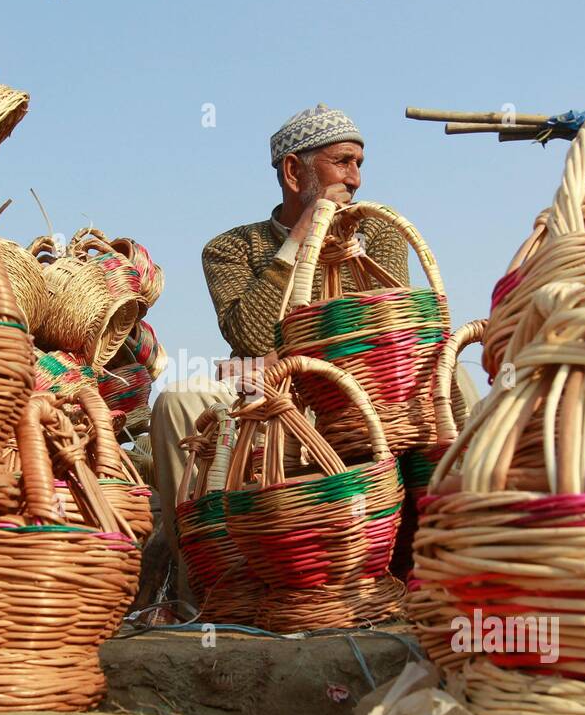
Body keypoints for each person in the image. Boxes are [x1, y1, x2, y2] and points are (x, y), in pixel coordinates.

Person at [147, 104, 476, 609]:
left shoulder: (378, 232)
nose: (356, 179)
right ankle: (205, 599)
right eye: (342, 162)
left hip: (359, 388)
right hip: (268, 390)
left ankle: (454, 568)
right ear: (293, 171)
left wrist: (286, 357)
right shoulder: (231, 248)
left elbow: (390, 337)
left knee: (460, 386)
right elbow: (252, 334)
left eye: (360, 164)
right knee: (177, 402)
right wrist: (301, 236)